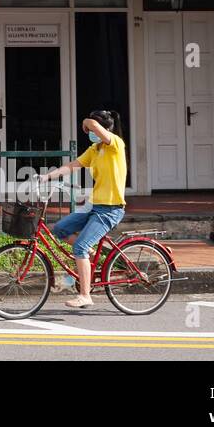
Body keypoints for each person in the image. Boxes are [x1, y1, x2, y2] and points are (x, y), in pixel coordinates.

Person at [40, 110, 126, 309]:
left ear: (104, 129)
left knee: (78, 247)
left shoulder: (114, 144)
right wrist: (48, 177)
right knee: (61, 229)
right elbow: (73, 165)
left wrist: (87, 121)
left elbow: (95, 127)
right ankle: (87, 252)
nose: (89, 131)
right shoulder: (94, 150)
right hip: (94, 206)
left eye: (92, 128)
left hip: (111, 209)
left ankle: (85, 295)